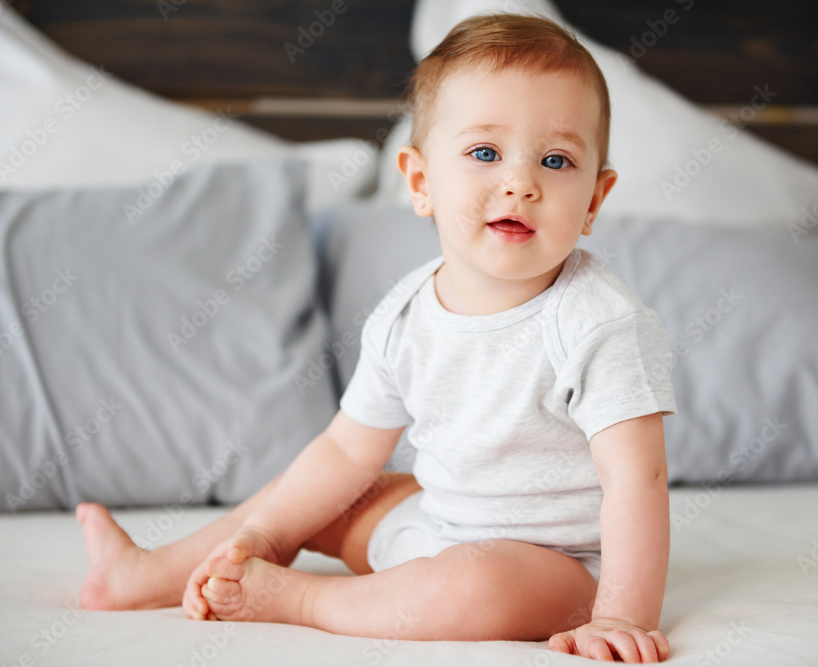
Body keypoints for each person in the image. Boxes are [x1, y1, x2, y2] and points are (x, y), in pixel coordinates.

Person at [75, 12, 676, 663]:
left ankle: (300, 600)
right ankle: (148, 575)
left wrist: (619, 613)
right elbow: (344, 450)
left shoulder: (597, 321)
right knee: (315, 493)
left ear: (593, 200)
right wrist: (269, 533)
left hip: (553, 569)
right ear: (420, 182)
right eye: (484, 152)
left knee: (476, 584)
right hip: (433, 526)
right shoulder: (405, 311)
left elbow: (636, 480)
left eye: (557, 160)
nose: (520, 181)